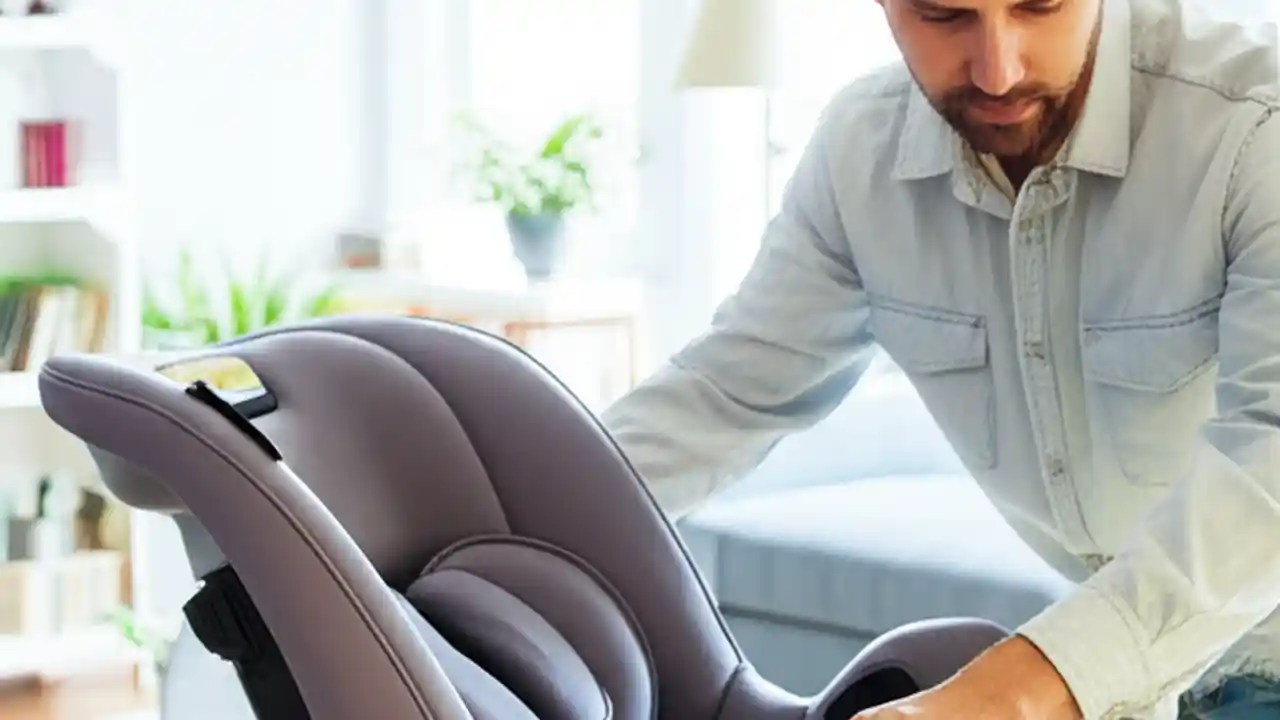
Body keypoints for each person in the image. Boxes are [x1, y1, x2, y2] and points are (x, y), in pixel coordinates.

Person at [599, 0, 1280, 718]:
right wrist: (510, 523)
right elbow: (725, 394)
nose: (998, 70)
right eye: (944, 15)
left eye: (1039, 6)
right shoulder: (861, 154)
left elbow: (1270, 458)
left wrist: (1008, 692)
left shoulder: (1253, 128)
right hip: (1147, 679)